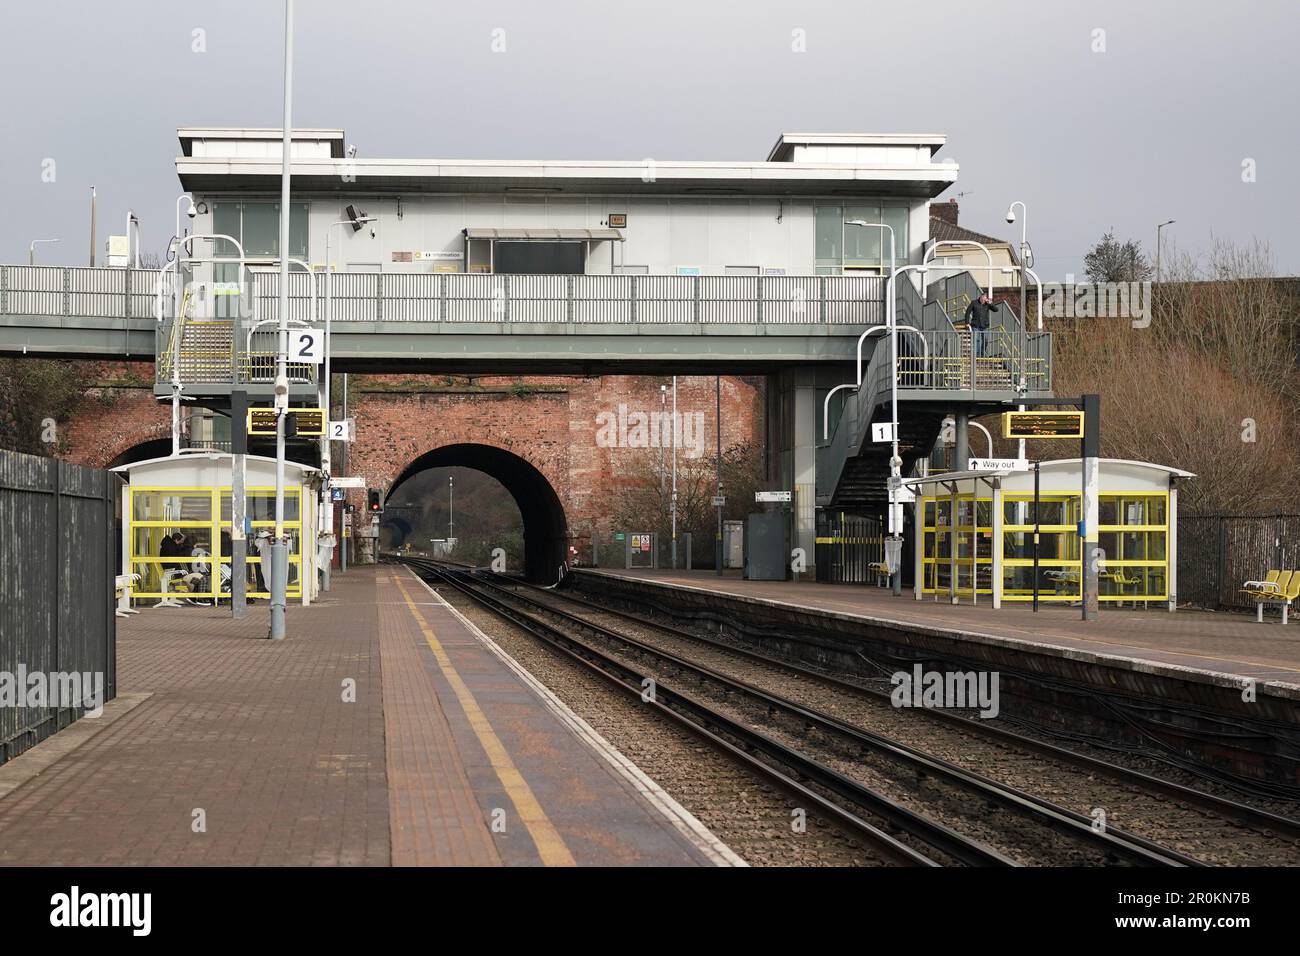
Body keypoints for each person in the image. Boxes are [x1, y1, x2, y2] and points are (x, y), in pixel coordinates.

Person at [963, 293, 1000, 358]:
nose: (983, 301)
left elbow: (996, 309)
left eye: (985, 299)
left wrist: (990, 303)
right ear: (980, 297)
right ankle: (976, 355)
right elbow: (968, 312)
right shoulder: (974, 302)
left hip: (984, 326)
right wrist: (967, 322)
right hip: (975, 325)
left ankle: (982, 353)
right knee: (977, 340)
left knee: (985, 340)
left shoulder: (987, 304)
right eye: (982, 299)